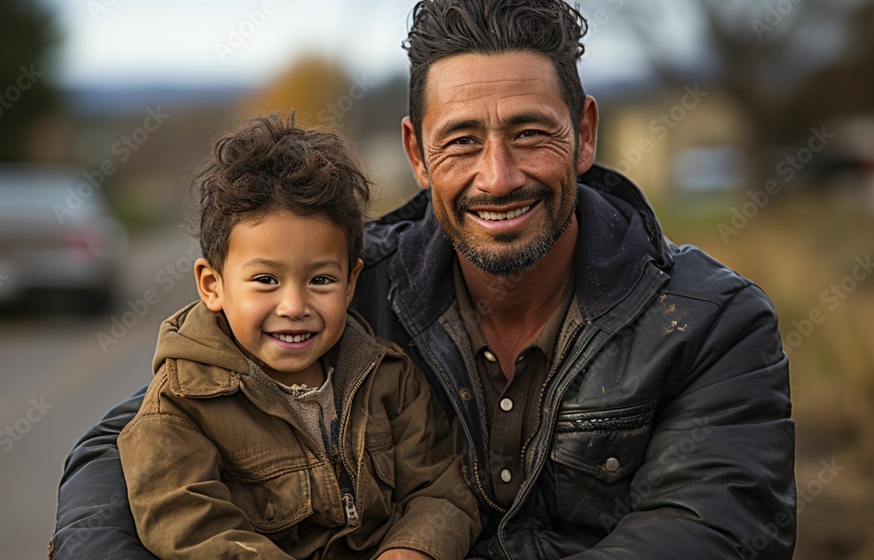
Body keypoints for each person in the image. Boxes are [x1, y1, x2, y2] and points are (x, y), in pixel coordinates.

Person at [51, 1, 796, 558]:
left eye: (531, 132)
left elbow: (711, 531)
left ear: (586, 134)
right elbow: (113, 453)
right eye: (462, 140)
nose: (496, 177)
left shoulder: (711, 323)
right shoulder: (341, 291)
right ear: (415, 151)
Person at [112, 114, 479, 560]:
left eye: (321, 281)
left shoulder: (391, 380)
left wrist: (411, 551)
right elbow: (190, 526)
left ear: (350, 284)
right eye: (266, 279)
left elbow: (440, 492)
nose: (293, 305)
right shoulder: (183, 405)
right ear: (213, 285)